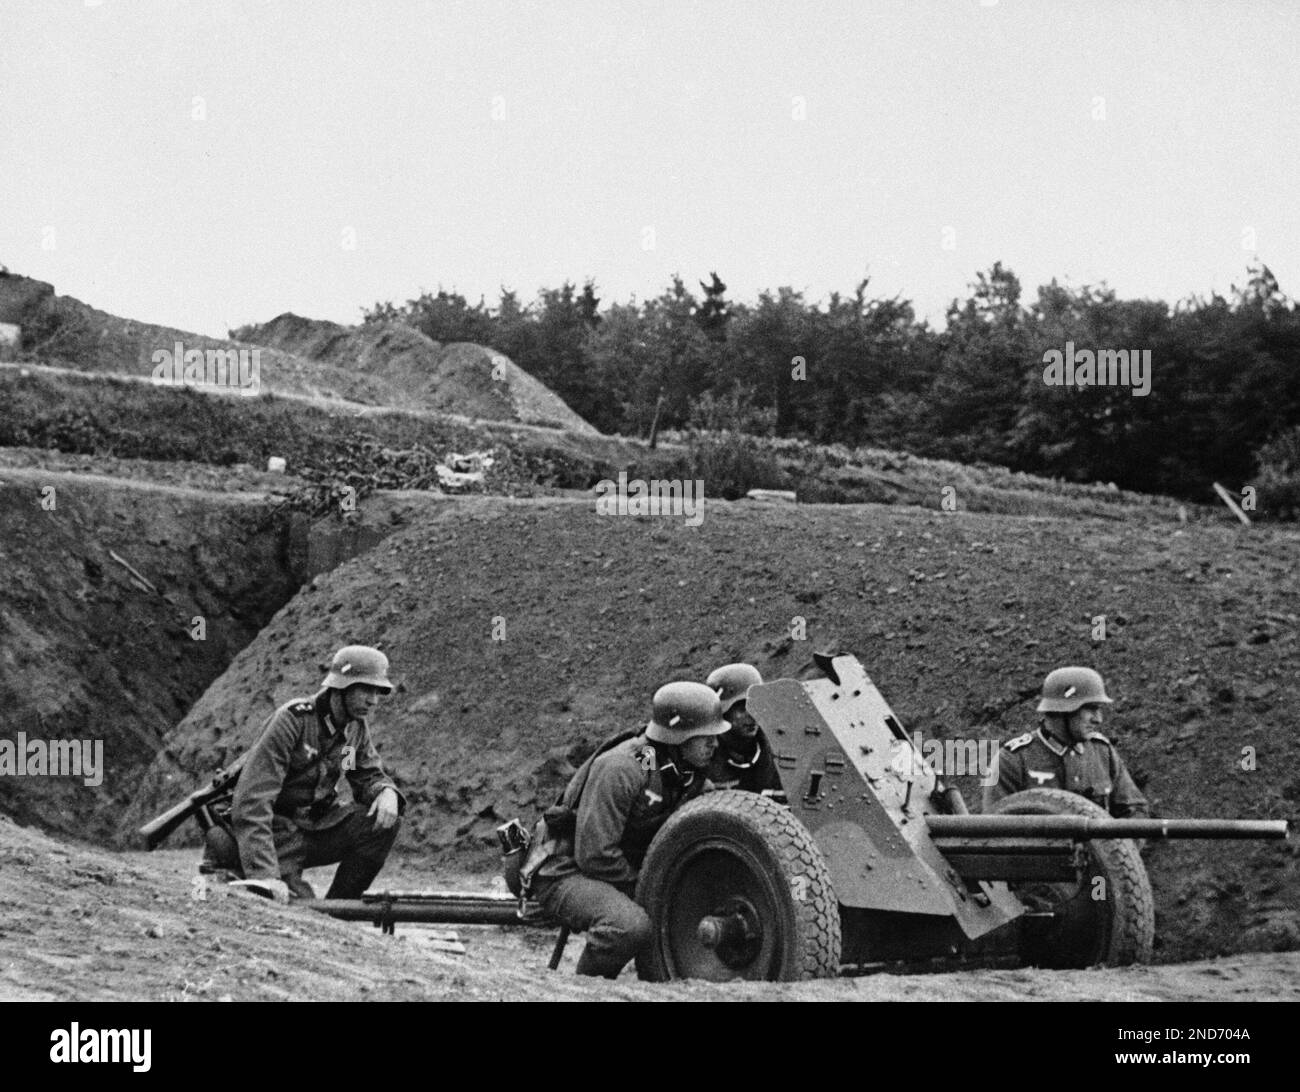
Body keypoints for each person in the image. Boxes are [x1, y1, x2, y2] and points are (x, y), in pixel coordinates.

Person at [527, 681, 729, 978]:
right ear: (677, 737)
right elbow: (594, 855)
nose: (715, 744)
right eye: (706, 736)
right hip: (563, 869)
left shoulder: (685, 775)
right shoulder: (625, 767)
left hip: (611, 869)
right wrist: (649, 888)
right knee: (628, 926)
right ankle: (587, 990)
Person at [202, 644, 405, 902]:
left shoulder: (354, 729)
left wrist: (385, 791)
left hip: (313, 828)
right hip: (276, 834)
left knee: (378, 825)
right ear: (340, 686)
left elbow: (362, 774)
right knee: (294, 905)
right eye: (366, 689)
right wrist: (265, 874)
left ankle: (341, 911)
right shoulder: (293, 721)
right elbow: (253, 801)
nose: (373, 700)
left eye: (377, 691)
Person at [983, 666, 1149, 819]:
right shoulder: (1013, 760)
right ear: (1063, 710)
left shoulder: (1103, 752)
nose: (1098, 719)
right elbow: (995, 830)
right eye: (1090, 709)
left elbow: (1134, 811)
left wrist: (1116, 850)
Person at [704, 663, 783, 796]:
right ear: (723, 713)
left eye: (755, 706)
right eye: (742, 709)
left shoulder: (775, 748)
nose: (752, 715)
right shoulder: (705, 757)